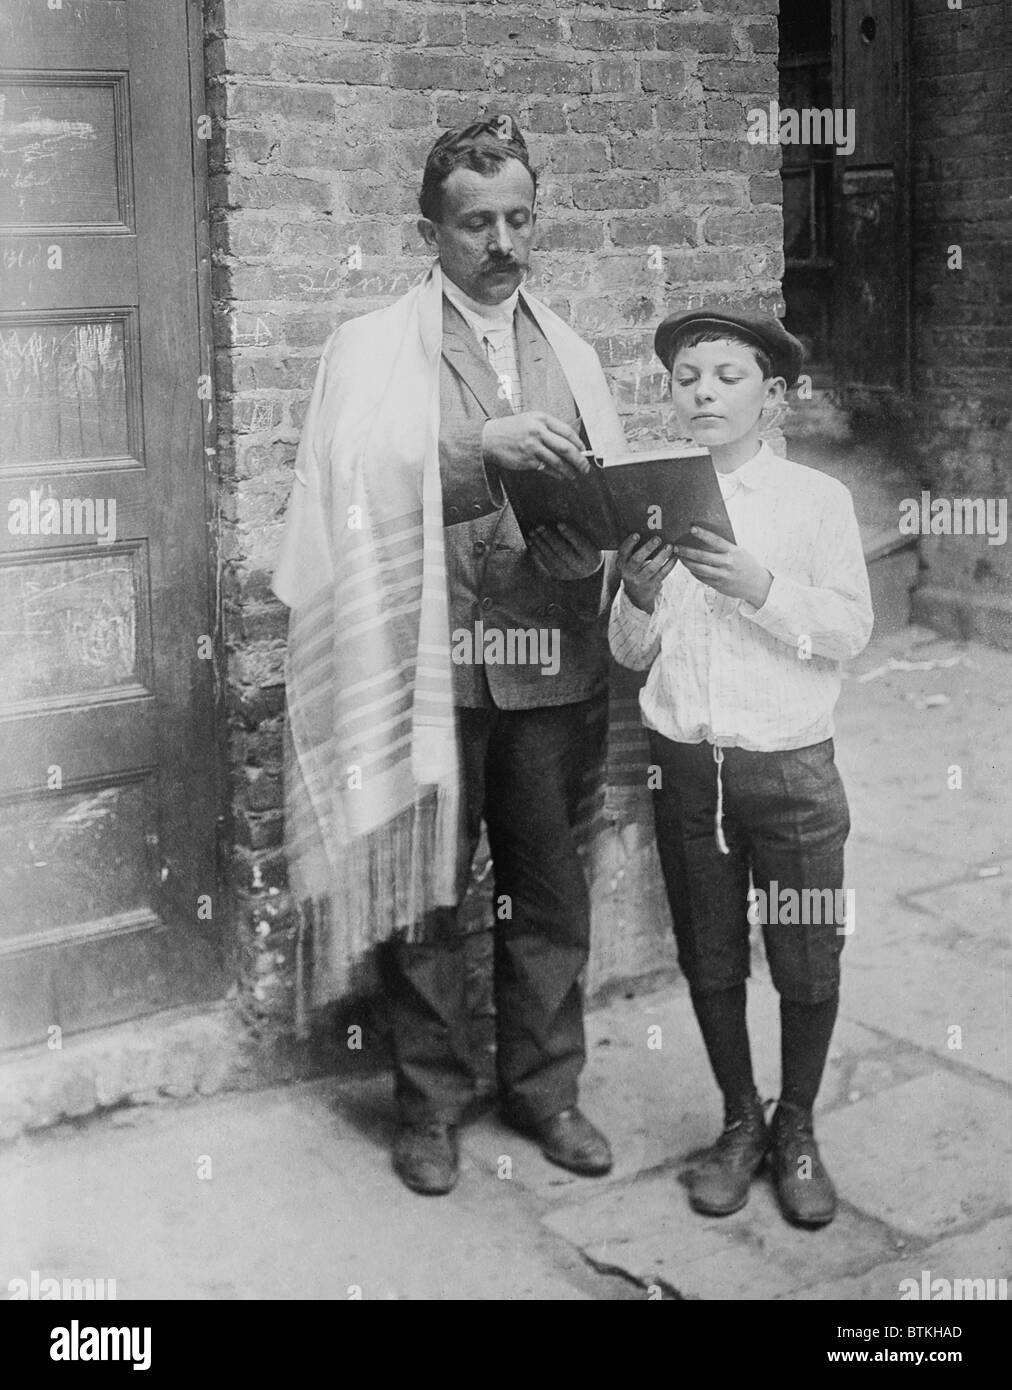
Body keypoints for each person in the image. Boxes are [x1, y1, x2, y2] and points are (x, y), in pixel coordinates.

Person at [273, 117, 627, 1196]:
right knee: (420, 888)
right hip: (419, 662)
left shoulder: (568, 352)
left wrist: (590, 543)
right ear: (428, 229)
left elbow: (602, 492)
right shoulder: (370, 349)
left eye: (519, 217)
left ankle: (545, 1089)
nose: (502, 240)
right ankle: (427, 1105)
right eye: (476, 222)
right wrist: (479, 451)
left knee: (546, 886)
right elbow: (344, 490)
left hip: (549, 664)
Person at [609, 308, 873, 1227]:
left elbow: (845, 630)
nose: (705, 392)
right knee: (709, 951)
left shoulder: (815, 504)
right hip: (686, 766)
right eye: (688, 378)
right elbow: (633, 654)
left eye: (728, 376)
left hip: (791, 771)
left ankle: (797, 1127)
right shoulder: (654, 500)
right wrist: (640, 592)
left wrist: (758, 588)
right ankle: (739, 1120)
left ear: (775, 397)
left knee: (806, 953)